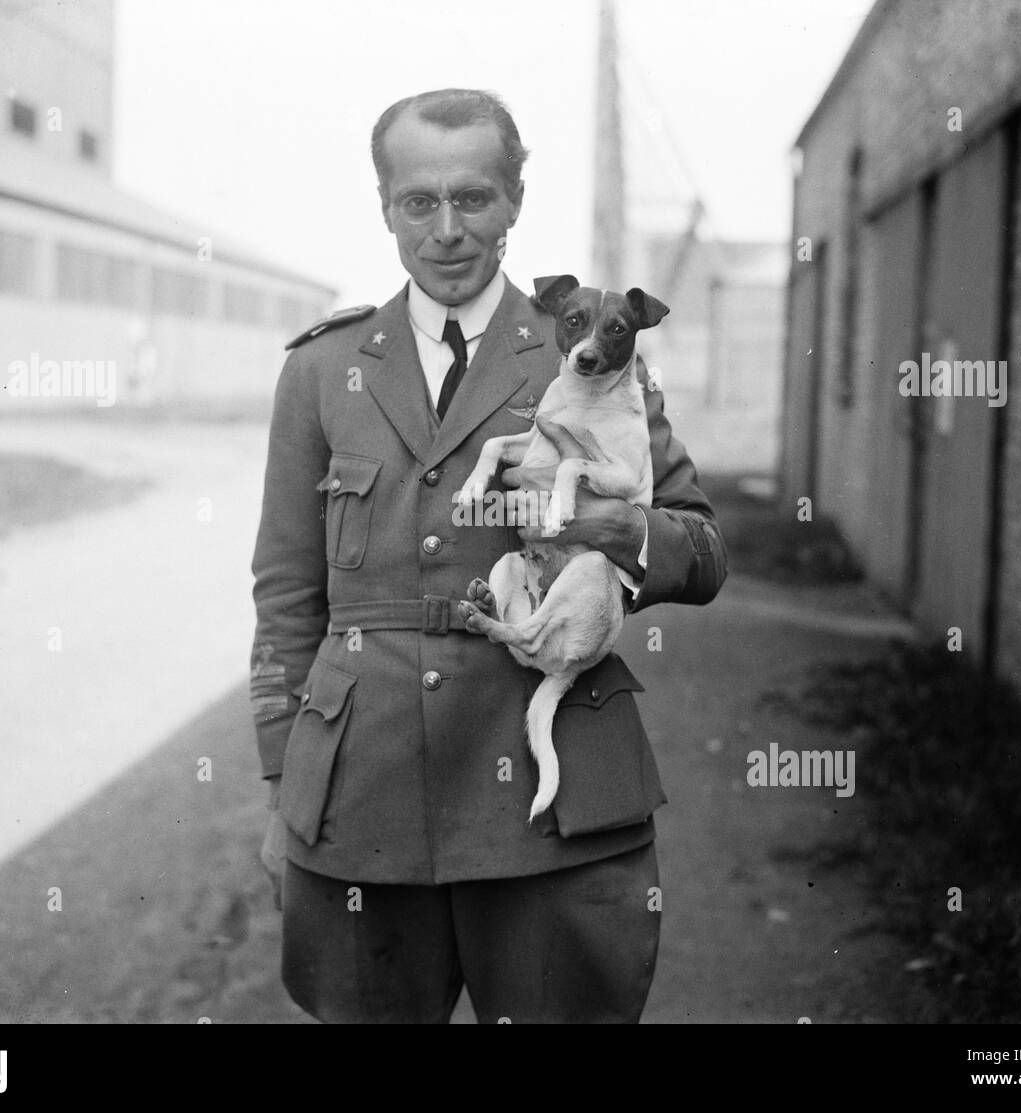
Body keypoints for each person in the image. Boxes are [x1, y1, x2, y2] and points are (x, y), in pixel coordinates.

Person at [250, 88, 726, 1024]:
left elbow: (702, 548)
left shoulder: (595, 349)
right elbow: (286, 596)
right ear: (384, 205)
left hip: (553, 812)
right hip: (363, 796)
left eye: (473, 197)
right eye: (417, 201)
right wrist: (281, 789)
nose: (447, 230)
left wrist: (614, 533)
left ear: (514, 200)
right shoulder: (322, 369)